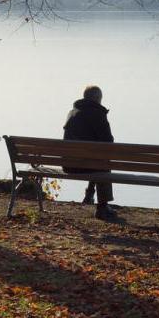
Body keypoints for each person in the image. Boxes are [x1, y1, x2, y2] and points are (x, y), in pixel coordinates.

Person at [63, 85, 117, 220]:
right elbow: (108, 143)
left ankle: (89, 194)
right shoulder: (98, 114)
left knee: (95, 158)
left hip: (69, 165)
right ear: (98, 99)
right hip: (88, 165)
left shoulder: (72, 113)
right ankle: (102, 206)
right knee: (102, 159)